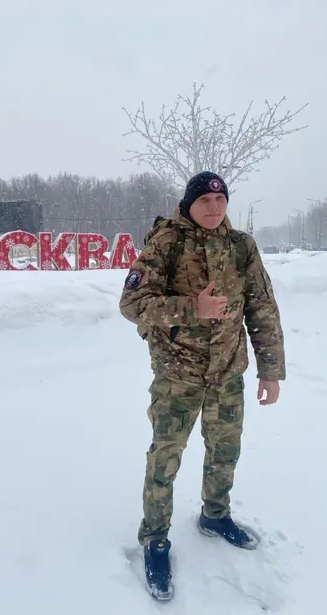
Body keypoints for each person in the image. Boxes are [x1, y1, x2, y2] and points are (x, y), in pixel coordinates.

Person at [119, 171, 285, 601]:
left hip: (228, 374)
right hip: (178, 377)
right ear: (189, 204)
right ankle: (155, 538)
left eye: (220, 199)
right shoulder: (167, 243)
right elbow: (132, 303)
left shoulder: (241, 246)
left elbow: (262, 308)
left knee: (225, 452)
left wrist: (270, 370)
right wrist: (194, 307)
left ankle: (215, 515)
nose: (213, 207)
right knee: (165, 459)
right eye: (204, 201)